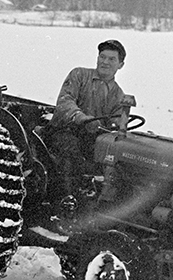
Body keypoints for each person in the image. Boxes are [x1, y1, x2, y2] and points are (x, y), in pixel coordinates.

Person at [47, 39, 130, 209]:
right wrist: (80, 117)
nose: (105, 62)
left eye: (111, 59)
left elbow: (118, 120)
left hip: (92, 139)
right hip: (63, 131)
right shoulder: (79, 75)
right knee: (71, 149)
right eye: (102, 57)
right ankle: (66, 203)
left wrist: (124, 126)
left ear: (120, 64)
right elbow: (65, 101)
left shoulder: (118, 94)